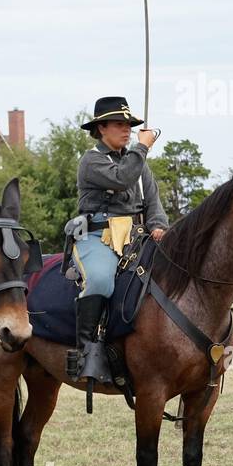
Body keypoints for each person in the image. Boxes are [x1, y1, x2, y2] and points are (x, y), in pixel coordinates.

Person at [66, 96, 169, 384]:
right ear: (101, 129)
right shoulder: (92, 160)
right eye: (119, 125)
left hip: (138, 235)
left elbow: (152, 200)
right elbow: (122, 178)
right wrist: (143, 147)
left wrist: (159, 225)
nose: (127, 130)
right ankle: (87, 351)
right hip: (99, 235)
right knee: (100, 280)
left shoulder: (138, 163)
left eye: (129, 125)